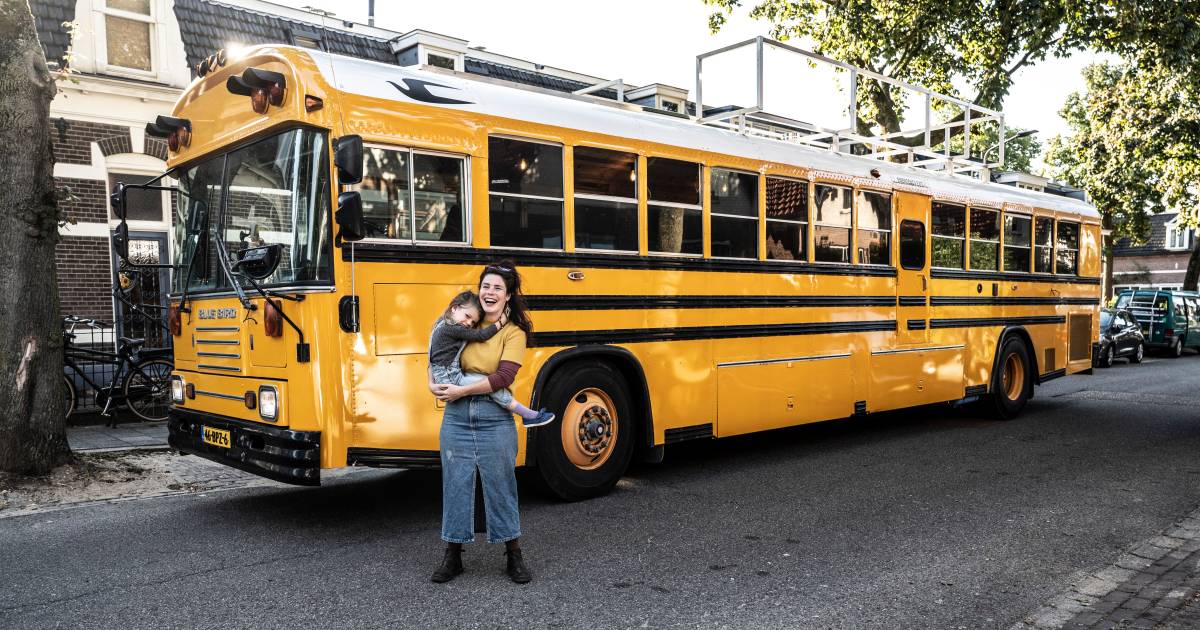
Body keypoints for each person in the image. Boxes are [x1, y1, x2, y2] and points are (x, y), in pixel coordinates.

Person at [428, 261, 538, 584]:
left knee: (501, 484)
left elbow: (503, 377)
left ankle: (514, 555)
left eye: (497, 288)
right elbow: (435, 350)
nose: (490, 292)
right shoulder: (466, 322)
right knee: (456, 483)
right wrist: (429, 381)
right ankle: (453, 556)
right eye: (486, 286)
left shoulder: (514, 332)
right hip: (457, 417)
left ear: (508, 296)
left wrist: (462, 389)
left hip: (494, 417)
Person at [428, 291, 554, 428]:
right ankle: (529, 415)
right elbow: (482, 335)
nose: (468, 323)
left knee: (486, 383)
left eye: (473, 321)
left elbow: (430, 354)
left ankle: (529, 415)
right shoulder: (452, 328)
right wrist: (501, 322)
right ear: (455, 308)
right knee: (493, 387)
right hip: (451, 379)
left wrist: (431, 380)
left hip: (444, 376)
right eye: (467, 316)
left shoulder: (440, 323)